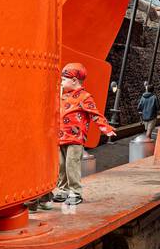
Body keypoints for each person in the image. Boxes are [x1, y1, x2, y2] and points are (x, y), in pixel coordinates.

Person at [40, 62, 116, 208]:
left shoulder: (84, 97)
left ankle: (75, 192)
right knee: (61, 165)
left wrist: (105, 128)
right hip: (60, 137)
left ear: (74, 80)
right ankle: (63, 190)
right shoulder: (62, 96)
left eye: (64, 79)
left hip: (75, 139)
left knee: (71, 164)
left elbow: (95, 114)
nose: (61, 82)